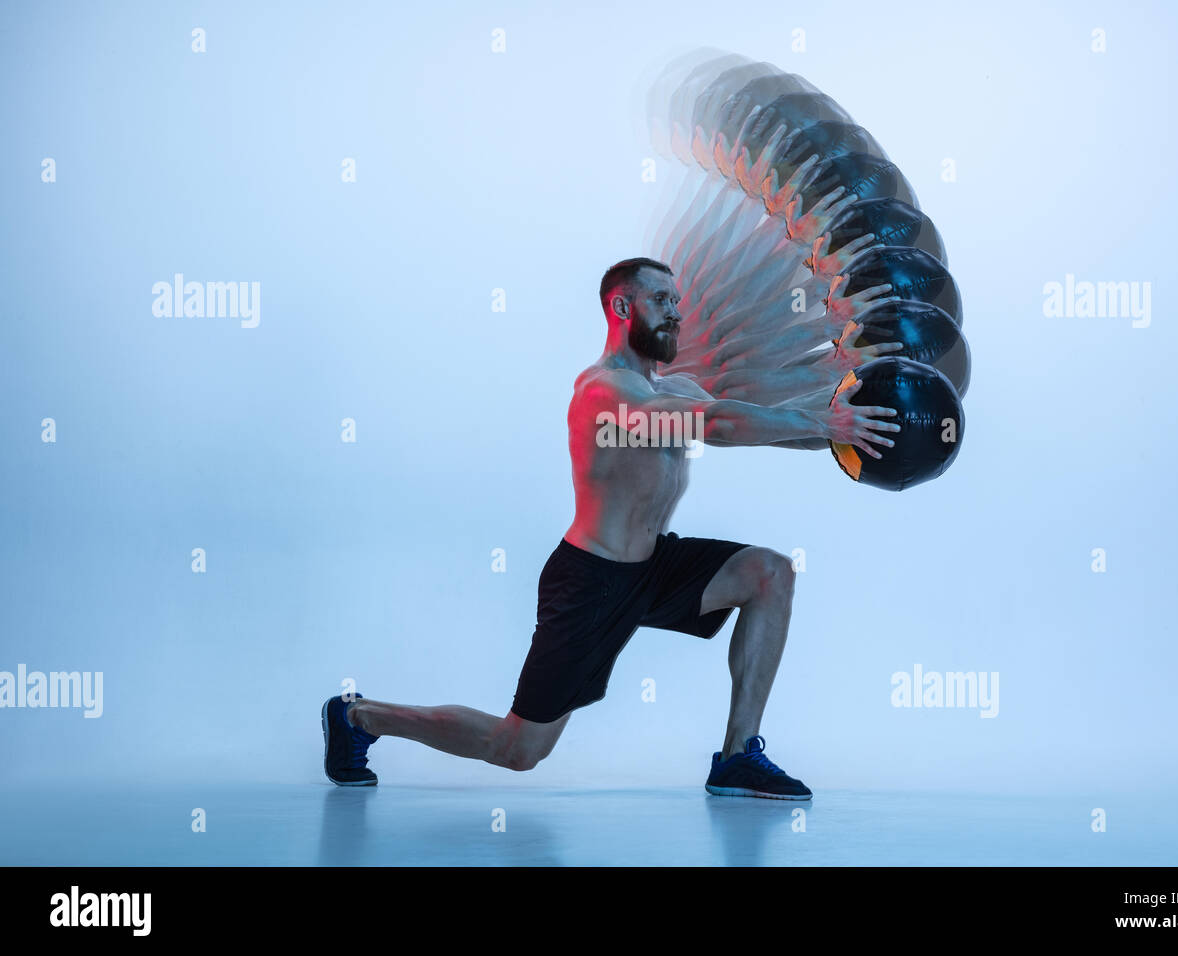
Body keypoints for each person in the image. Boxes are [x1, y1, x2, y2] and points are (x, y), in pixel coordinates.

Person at [322, 257, 898, 799]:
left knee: (769, 572)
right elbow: (719, 424)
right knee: (518, 749)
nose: (675, 312)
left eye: (677, 301)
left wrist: (846, 430)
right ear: (622, 308)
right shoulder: (602, 393)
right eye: (660, 299)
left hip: (654, 566)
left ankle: (736, 757)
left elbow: (756, 425)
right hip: (590, 582)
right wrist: (824, 421)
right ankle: (359, 716)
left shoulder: (674, 388)